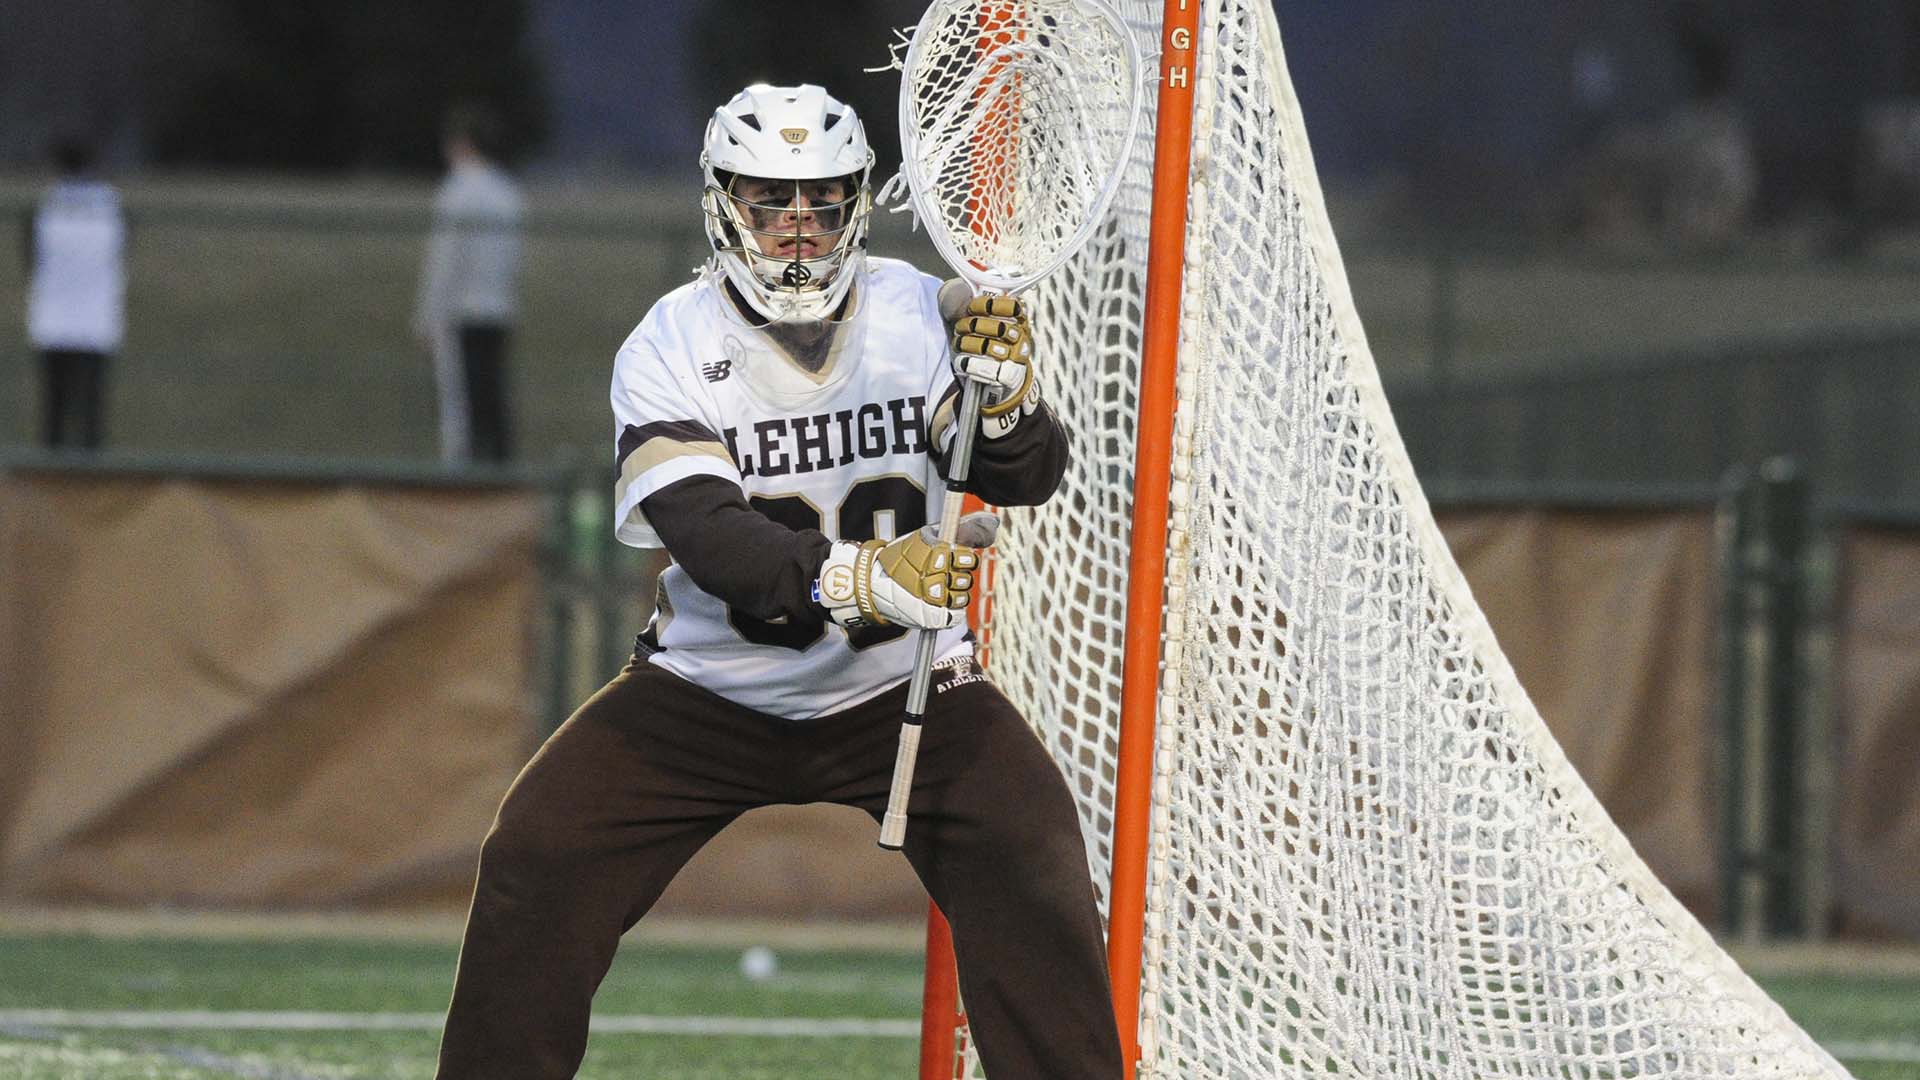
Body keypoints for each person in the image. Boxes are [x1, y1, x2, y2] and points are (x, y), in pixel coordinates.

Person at [434, 84, 1124, 1079]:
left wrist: (1009, 400)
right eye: (771, 201)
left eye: (823, 202)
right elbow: (712, 542)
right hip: (711, 691)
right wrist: (861, 579)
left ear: (857, 204)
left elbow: (1023, 476)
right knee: (537, 857)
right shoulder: (670, 345)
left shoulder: (919, 312)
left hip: (901, 691)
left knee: (1033, 853)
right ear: (723, 202)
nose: (799, 229)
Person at [414, 102, 523, 464]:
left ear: (462, 143)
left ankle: (463, 474)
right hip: (499, 309)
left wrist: (427, 316)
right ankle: (500, 467)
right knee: (493, 398)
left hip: (462, 311)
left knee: (460, 406)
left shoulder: (457, 191)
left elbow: (444, 261)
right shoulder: (508, 192)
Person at [24, 137, 125, 451]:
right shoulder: (112, 205)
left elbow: (31, 257)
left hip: (55, 319)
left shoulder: (45, 205)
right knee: (90, 411)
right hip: (94, 320)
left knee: (54, 410)